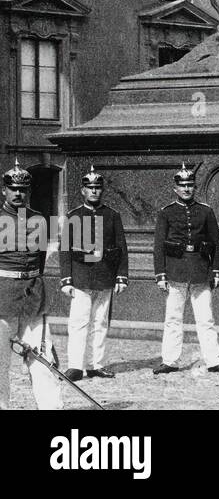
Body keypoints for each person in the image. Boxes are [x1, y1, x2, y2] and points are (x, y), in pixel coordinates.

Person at [153, 163, 219, 374]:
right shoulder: (166, 213)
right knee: (173, 319)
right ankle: (170, 361)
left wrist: (216, 272)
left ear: (195, 188)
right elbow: (159, 245)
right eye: (183, 185)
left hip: (200, 270)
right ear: (175, 189)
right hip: (175, 270)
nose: (187, 189)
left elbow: (215, 243)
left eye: (190, 185)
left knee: (206, 318)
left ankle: (214, 360)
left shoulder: (206, 212)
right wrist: (160, 275)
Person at [0, 161, 63, 409]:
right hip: (2, 297)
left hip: (34, 298)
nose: (18, 193)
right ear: (4, 190)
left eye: (23, 189)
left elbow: (39, 261)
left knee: (43, 359)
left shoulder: (38, 219)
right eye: (13, 189)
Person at [59, 165, 128, 382]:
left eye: (98, 188)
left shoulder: (113, 215)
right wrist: (66, 279)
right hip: (81, 277)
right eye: (90, 188)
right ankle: (75, 366)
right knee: (79, 323)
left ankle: (96, 364)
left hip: (105, 276)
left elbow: (121, 247)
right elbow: (65, 250)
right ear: (83, 191)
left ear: (102, 190)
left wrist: (121, 276)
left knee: (100, 322)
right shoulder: (74, 216)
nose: (94, 191)